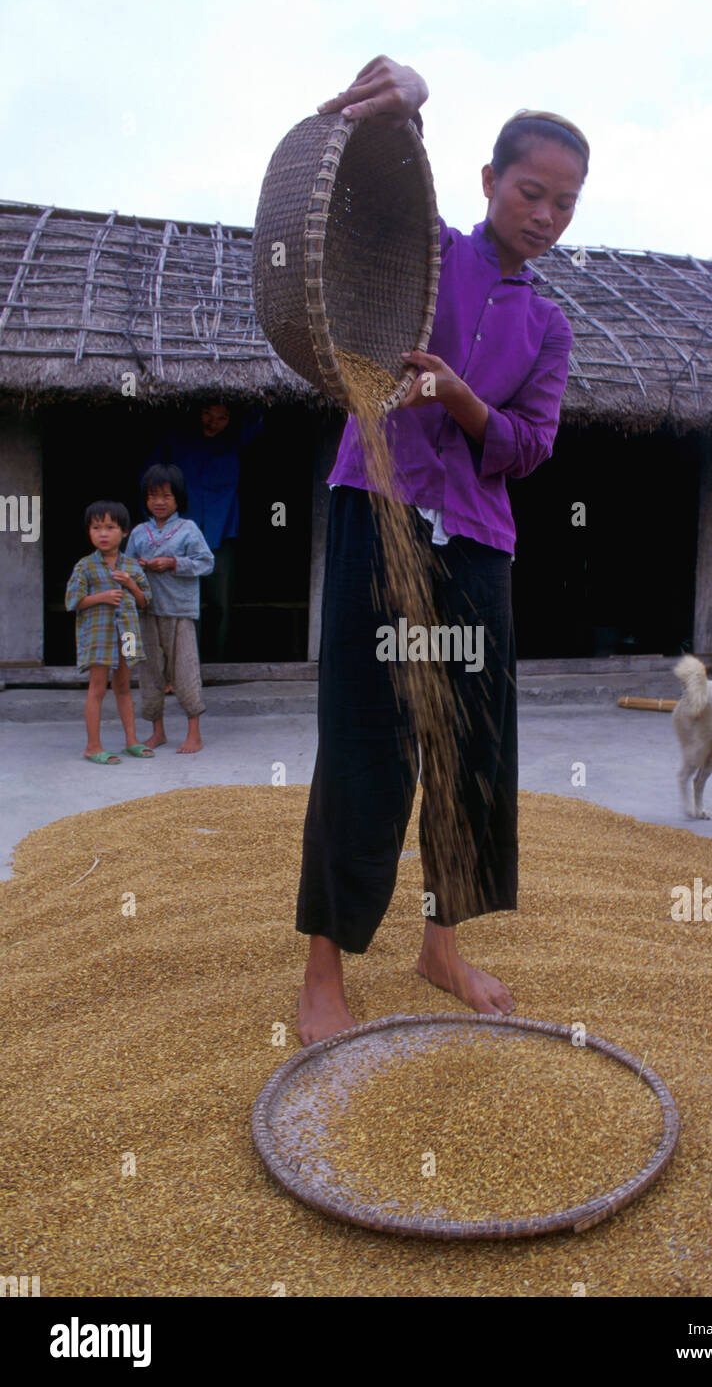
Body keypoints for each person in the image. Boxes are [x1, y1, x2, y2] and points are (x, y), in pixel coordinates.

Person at [296, 55, 586, 1045]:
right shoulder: (430, 252)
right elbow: (379, 192)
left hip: (478, 548)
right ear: (489, 183)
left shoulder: (549, 328)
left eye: (566, 201)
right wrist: (412, 95)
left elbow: (527, 448)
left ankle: (440, 942)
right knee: (365, 743)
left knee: (467, 754)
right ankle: (324, 967)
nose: (547, 213)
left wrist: (461, 396)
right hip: (378, 505)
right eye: (531, 190)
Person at [145, 401, 261, 660]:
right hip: (179, 539)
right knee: (185, 604)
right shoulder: (175, 440)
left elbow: (260, 411)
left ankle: (218, 662)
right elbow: (149, 480)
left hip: (222, 534)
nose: (212, 422)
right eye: (207, 413)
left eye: (222, 417)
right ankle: (186, 664)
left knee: (221, 604)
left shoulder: (233, 441)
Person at [126, 464, 215, 754]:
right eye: (153, 496)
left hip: (179, 612)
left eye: (166, 495)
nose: (159, 502)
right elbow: (125, 566)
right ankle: (158, 732)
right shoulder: (139, 533)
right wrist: (136, 568)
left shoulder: (188, 529)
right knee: (150, 673)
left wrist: (174, 563)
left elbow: (206, 562)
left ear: (178, 499)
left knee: (185, 670)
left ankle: (194, 734)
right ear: (145, 499)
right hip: (147, 611)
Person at [65, 501, 154, 764]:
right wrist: (101, 597)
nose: (102, 533)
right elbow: (73, 601)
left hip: (126, 635)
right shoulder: (85, 566)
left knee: (124, 687)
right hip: (99, 636)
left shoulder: (131, 566)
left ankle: (131, 741)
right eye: (96, 527)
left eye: (110, 527)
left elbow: (144, 601)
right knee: (97, 689)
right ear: (89, 532)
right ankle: (93, 746)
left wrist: (131, 585)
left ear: (124, 532)